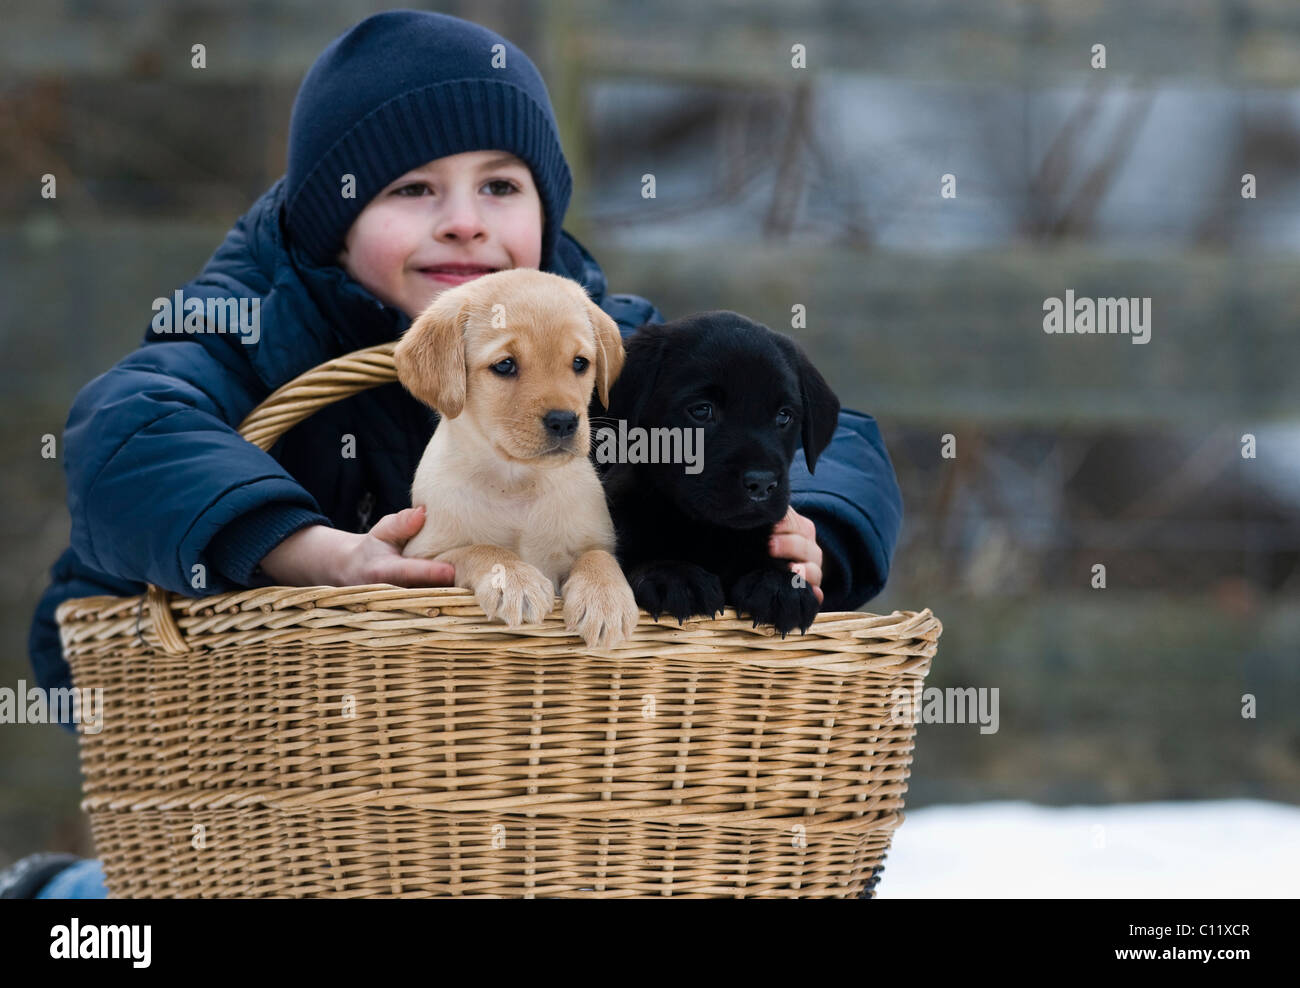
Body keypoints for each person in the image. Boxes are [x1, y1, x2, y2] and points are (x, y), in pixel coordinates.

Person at [10, 9, 903, 899]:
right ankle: (67, 899)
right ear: (331, 219)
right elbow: (127, 427)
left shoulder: (601, 342)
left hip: (502, 778)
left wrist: (805, 527)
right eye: (413, 191)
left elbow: (824, 424)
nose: (466, 224)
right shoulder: (251, 325)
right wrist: (309, 551)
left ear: (547, 210)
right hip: (255, 746)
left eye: (501, 187)